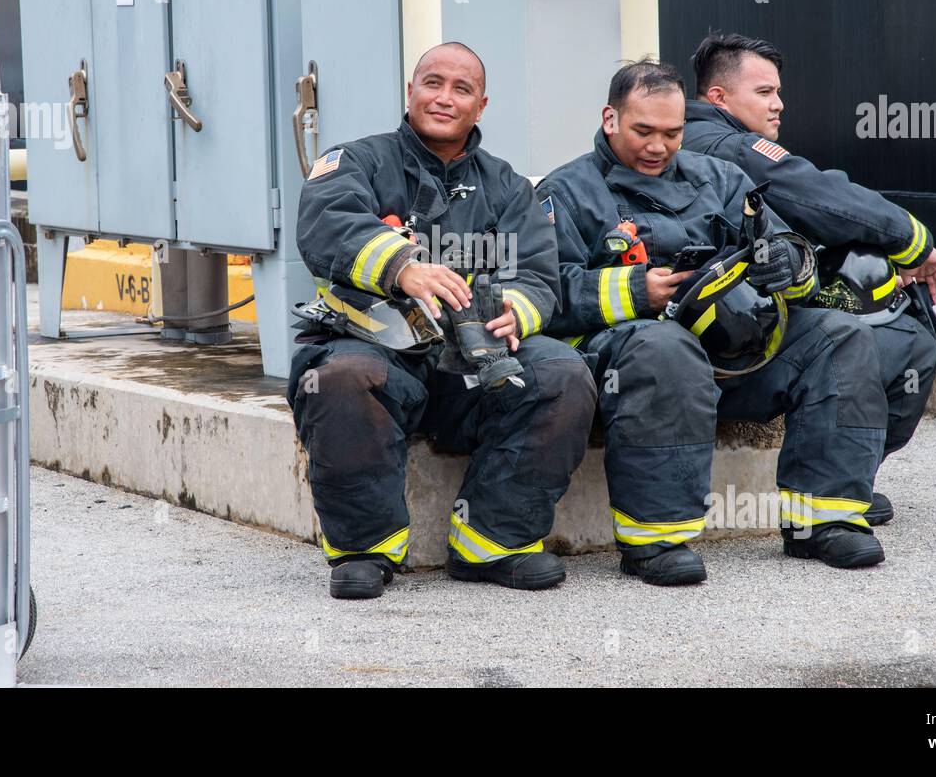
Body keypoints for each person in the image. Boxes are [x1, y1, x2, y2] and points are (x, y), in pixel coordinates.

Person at [537, 59, 891, 582]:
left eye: (673, 132)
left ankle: (827, 520)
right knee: (665, 349)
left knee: (842, 338)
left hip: (739, 348)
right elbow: (544, 292)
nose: (659, 146)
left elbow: (795, 252)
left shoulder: (722, 177)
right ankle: (655, 541)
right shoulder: (565, 192)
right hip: (635, 366)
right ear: (610, 118)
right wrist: (640, 291)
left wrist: (786, 264)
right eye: (644, 131)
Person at [287, 42, 596, 600]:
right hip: (379, 352)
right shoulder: (355, 161)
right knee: (338, 376)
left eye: (461, 90)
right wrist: (402, 266)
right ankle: (365, 549)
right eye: (432, 83)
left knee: (564, 373)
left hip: (474, 369)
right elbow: (323, 224)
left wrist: (513, 314)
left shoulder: (508, 186)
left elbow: (539, 274)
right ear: (410, 92)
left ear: (482, 105)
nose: (444, 98)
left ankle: (494, 543)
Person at [683, 33, 936, 524]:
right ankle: (841, 481)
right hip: (732, 347)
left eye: (779, 92)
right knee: (910, 338)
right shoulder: (727, 145)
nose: (779, 104)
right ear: (717, 97)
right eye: (764, 92)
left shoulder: (685, 140)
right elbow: (823, 197)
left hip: (718, 332)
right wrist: (917, 243)